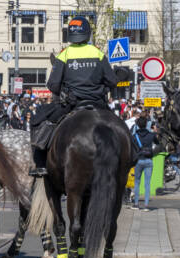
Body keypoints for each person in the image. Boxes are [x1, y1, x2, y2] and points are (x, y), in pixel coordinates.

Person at [28, 16, 117, 177]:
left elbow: (52, 85)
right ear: (88, 33)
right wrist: (101, 88)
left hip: (71, 104)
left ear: (70, 34)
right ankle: (133, 153)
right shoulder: (97, 53)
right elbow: (112, 80)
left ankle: (39, 163)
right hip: (98, 103)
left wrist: (64, 90)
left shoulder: (65, 54)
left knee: (41, 122)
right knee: (118, 126)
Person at [132, 116, 157, 211]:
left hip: (138, 160)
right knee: (147, 183)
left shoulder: (134, 136)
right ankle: (146, 206)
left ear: (137, 125)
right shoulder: (151, 135)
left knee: (137, 182)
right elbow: (158, 144)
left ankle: (136, 204)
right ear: (147, 124)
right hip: (149, 161)